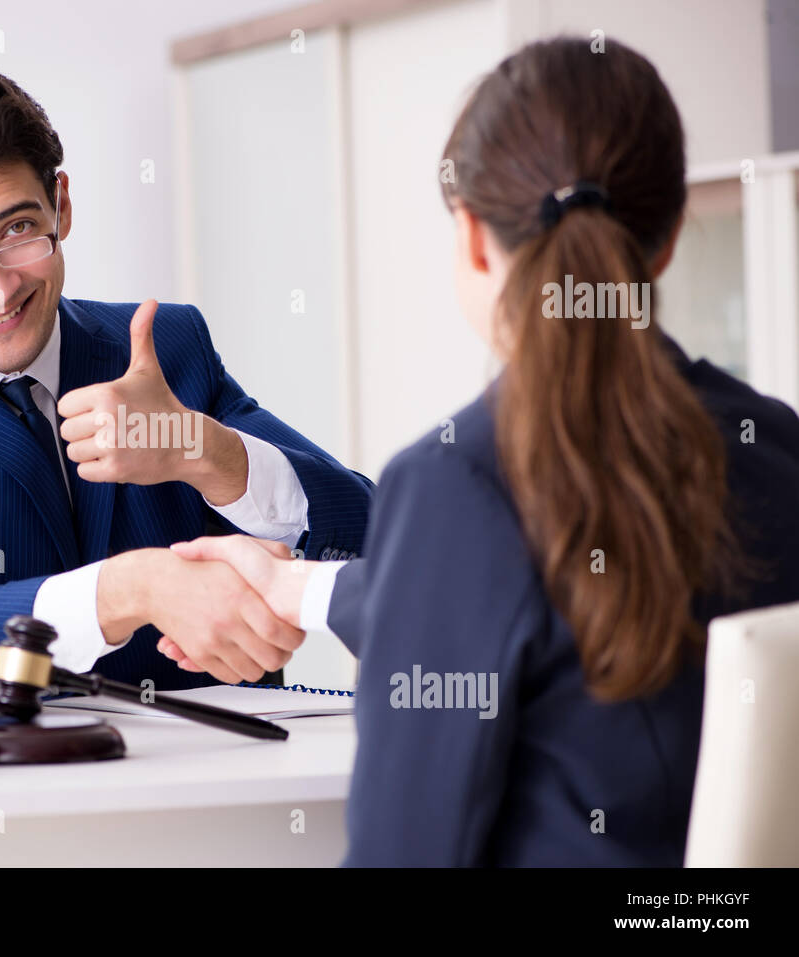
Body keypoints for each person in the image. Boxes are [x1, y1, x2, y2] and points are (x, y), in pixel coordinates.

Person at [169, 36, 799, 865]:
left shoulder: (456, 479)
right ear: (673, 232)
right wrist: (298, 588)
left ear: (471, 237)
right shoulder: (777, 446)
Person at [0, 54, 374, 704]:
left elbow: (381, 538)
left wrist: (205, 451)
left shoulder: (164, 349)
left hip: (205, 783)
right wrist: (136, 588)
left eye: (18, 230)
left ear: (61, 206)